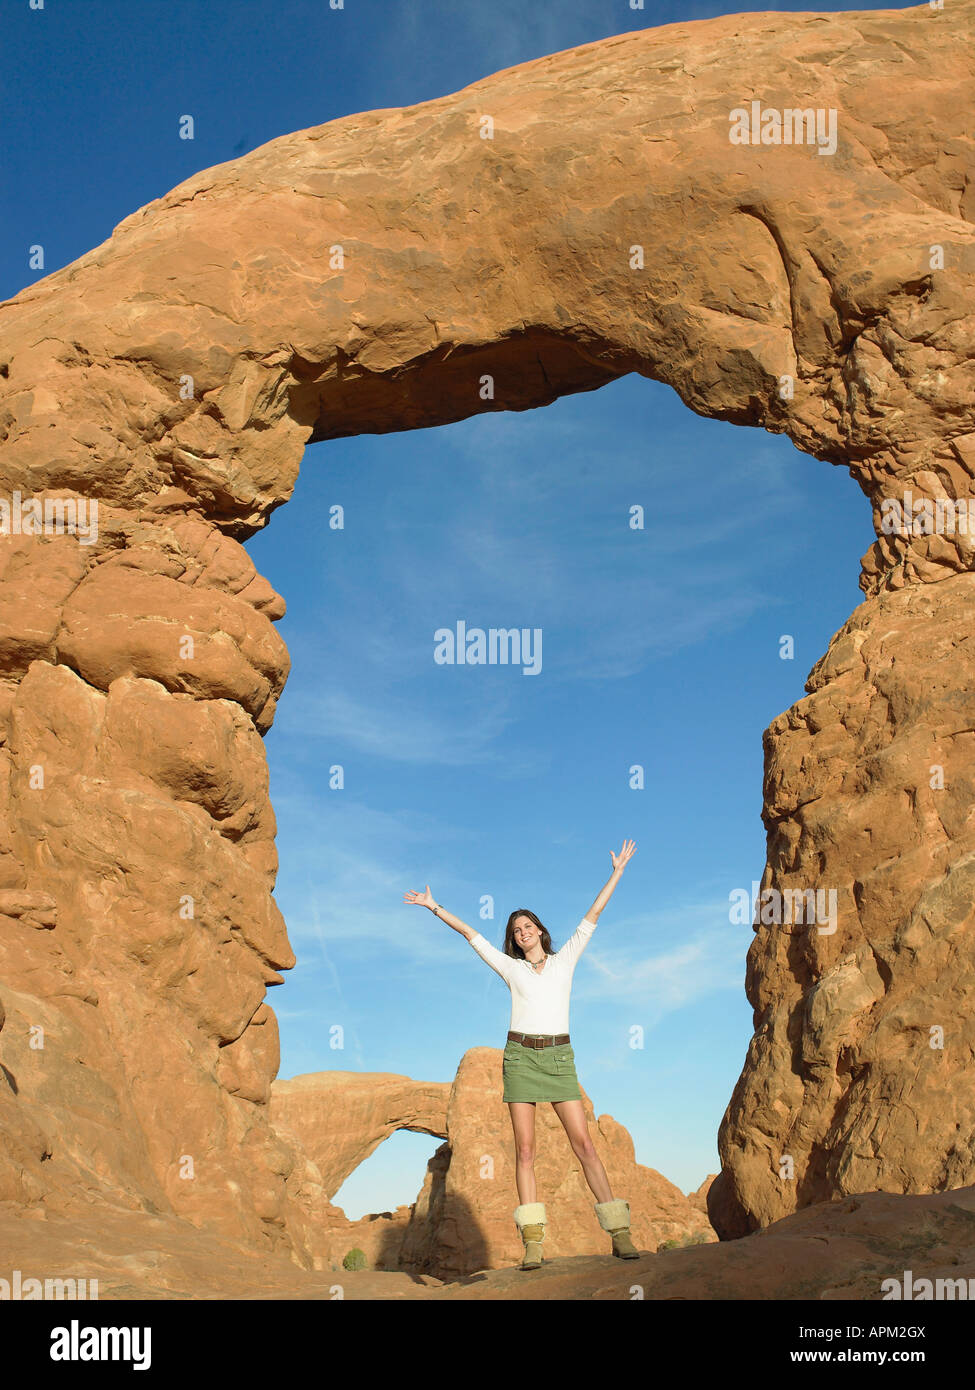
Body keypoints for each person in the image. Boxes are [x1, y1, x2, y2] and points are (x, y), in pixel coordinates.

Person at [403, 839, 639, 1270]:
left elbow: (593, 915)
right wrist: (434, 907)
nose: (523, 932)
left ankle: (619, 1233)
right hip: (520, 1058)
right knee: (525, 1151)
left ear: (541, 931)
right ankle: (533, 1243)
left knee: (584, 1143)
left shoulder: (565, 959)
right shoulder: (511, 968)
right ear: (513, 940)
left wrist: (617, 872)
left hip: (559, 1058)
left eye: (528, 926)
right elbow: (471, 935)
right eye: (516, 930)